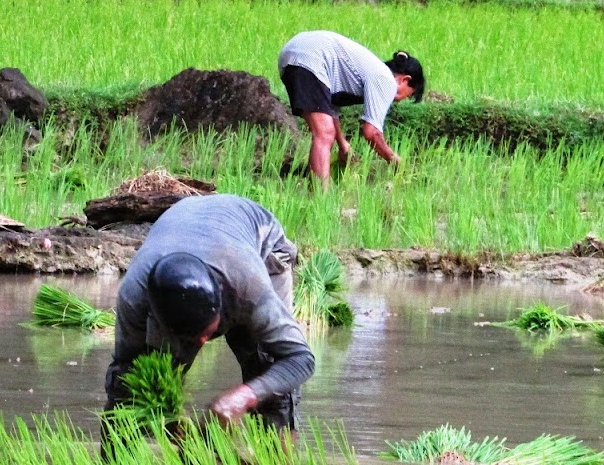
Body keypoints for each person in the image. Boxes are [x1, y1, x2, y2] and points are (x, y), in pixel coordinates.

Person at [104, 194, 314, 433]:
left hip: (260, 243)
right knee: (145, 379)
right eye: (190, 338)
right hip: (183, 227)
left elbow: (300, 359)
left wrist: (245, 396)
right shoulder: (135, 296)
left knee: (266, 366)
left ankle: (276, 455)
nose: (202, 344)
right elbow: (124, 374)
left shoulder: (249, 286)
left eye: (205, 332)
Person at [278, 30, 425, 185]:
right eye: (409, 95)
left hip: (290, 55)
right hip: (310, 58)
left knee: (325, 131)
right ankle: (320, 199)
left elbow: (329, 108)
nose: (402, 100)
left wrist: (343, 145)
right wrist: (394, 160)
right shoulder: (386, 79)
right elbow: (371, 132)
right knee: (324, 134)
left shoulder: (370, 72)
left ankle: (316, 190)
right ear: (404, 80)